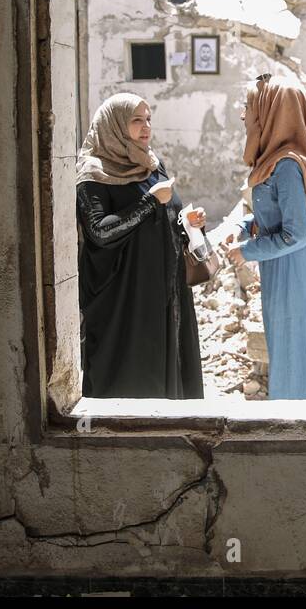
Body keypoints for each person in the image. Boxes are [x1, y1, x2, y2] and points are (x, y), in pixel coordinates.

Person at [75, 93, 205, 399]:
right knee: (130, 377)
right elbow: (98, 232)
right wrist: (149, 203)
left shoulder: (151, 163)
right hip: (123, 299)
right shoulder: (94, 174)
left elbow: (169, 211)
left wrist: (190, 221)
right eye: (136, 120)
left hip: (164, 290)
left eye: (148, 119)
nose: (146, 127)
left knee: (169, 369)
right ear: (115, 124)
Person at [224, 73, 306, 400]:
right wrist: (242, 227)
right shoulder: (273, 163)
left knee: (297, 365)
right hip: (282, 271)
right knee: (288, 358)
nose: (244, 115)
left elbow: (296, 234)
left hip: (295, 275)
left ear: (273, 111)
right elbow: (272, 216)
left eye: (250, 106)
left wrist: (247, 252)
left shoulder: (287, 166)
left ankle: (303, 438)